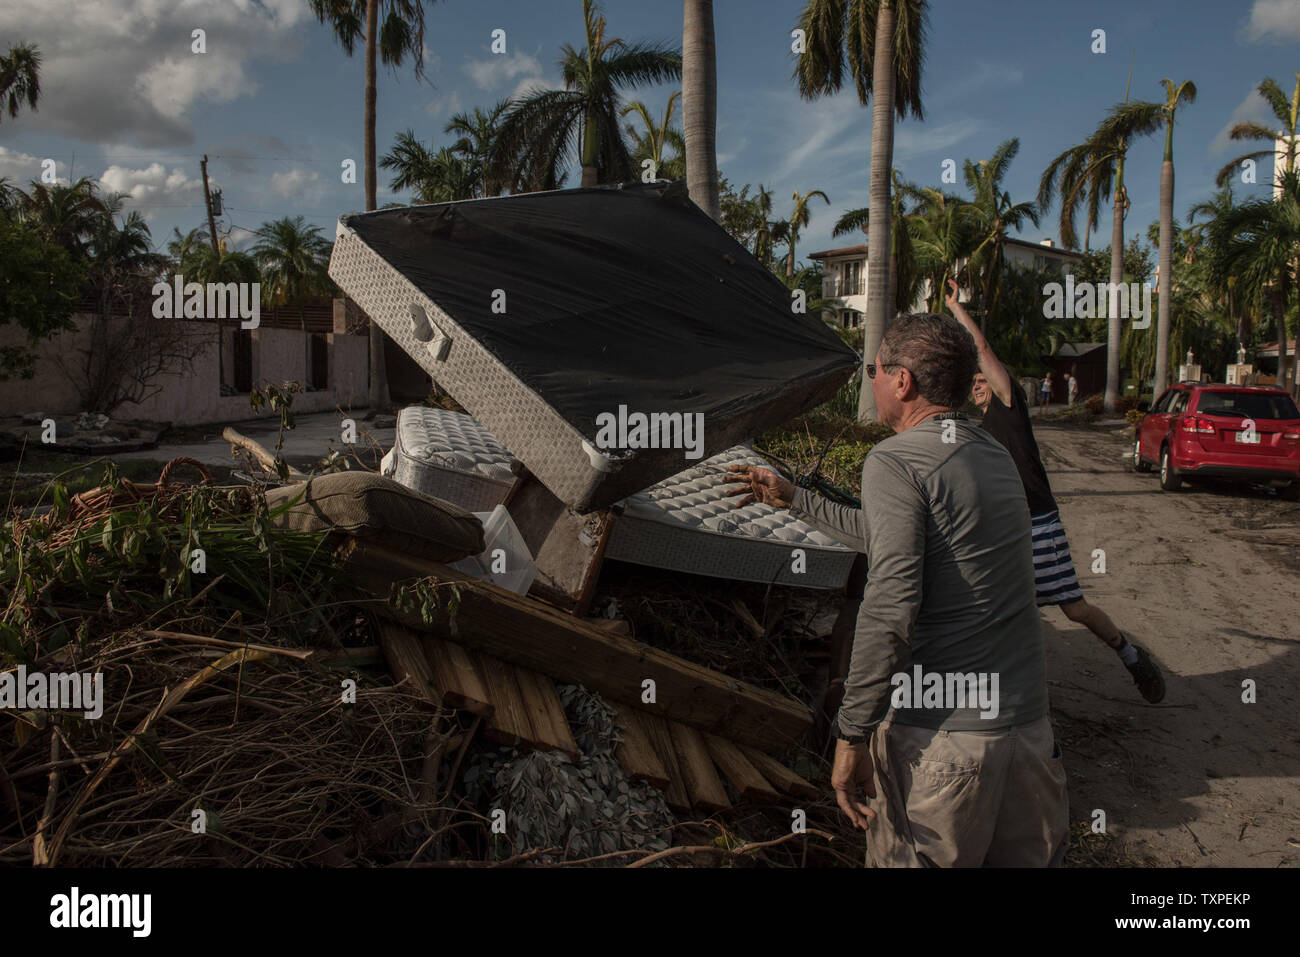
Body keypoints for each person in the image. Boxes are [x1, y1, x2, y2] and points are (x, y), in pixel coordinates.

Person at [725, 312, 1068, 867]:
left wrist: (852, 732)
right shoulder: (991, 456)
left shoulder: (896, 460)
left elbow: (891, 604)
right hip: (1028, 736)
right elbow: (904, 538)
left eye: (873, 369)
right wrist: (797, 498)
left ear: (902, 381)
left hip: (945, 746)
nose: (872, 380)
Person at [944, 280, 1164, 703]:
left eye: (981, 380)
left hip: (1039, 523)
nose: (977, 385)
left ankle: (1131, 655)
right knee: (994, 608)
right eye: (972, 383)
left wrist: (957, 310)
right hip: (1003, 528)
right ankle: (1004, 694)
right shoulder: (976, 427)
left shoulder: (1010, 406)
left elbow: (983, 349)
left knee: (1073, 608)